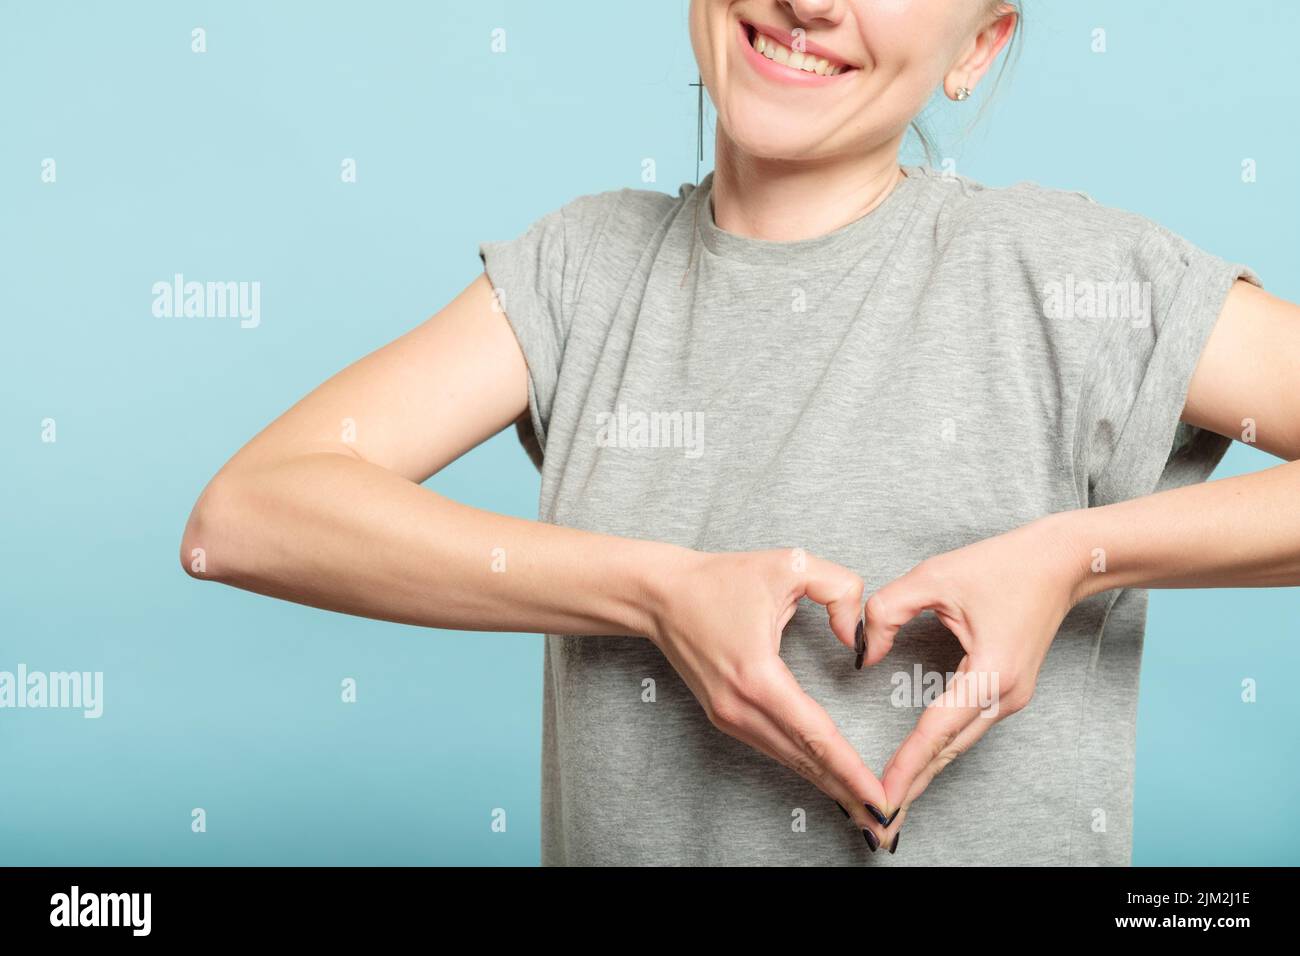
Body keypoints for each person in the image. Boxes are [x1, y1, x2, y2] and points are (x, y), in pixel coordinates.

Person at [181, 0, 1300, 865]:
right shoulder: (582, 274)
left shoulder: (1062, 275)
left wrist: (1075, 552)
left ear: (977, 46)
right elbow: (245, 517)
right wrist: (652, 592)